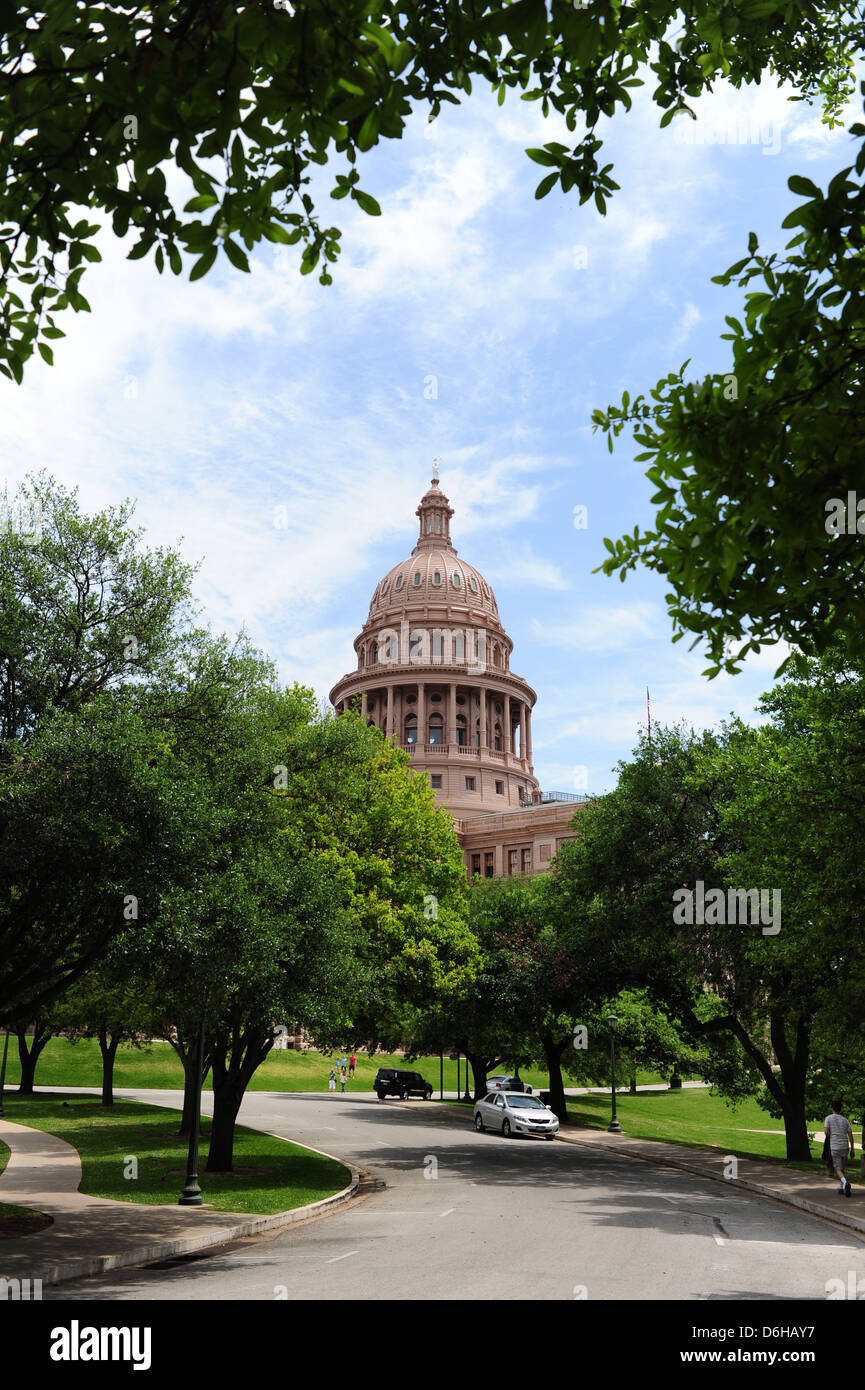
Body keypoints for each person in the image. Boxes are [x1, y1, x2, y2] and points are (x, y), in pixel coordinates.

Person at [824, 1099, 855, 1196]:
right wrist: (852, 1149)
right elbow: (850, 1135)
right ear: (840, 1109)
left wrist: (830, 1133)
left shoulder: (828, 1118)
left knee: (837, 1168)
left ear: (832, 1108)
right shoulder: (845, 1120)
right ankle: (841, 1187)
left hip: (835, 1146)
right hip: (845, 1146)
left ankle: (845, 1183)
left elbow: (826, 1132)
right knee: (842, 1168)